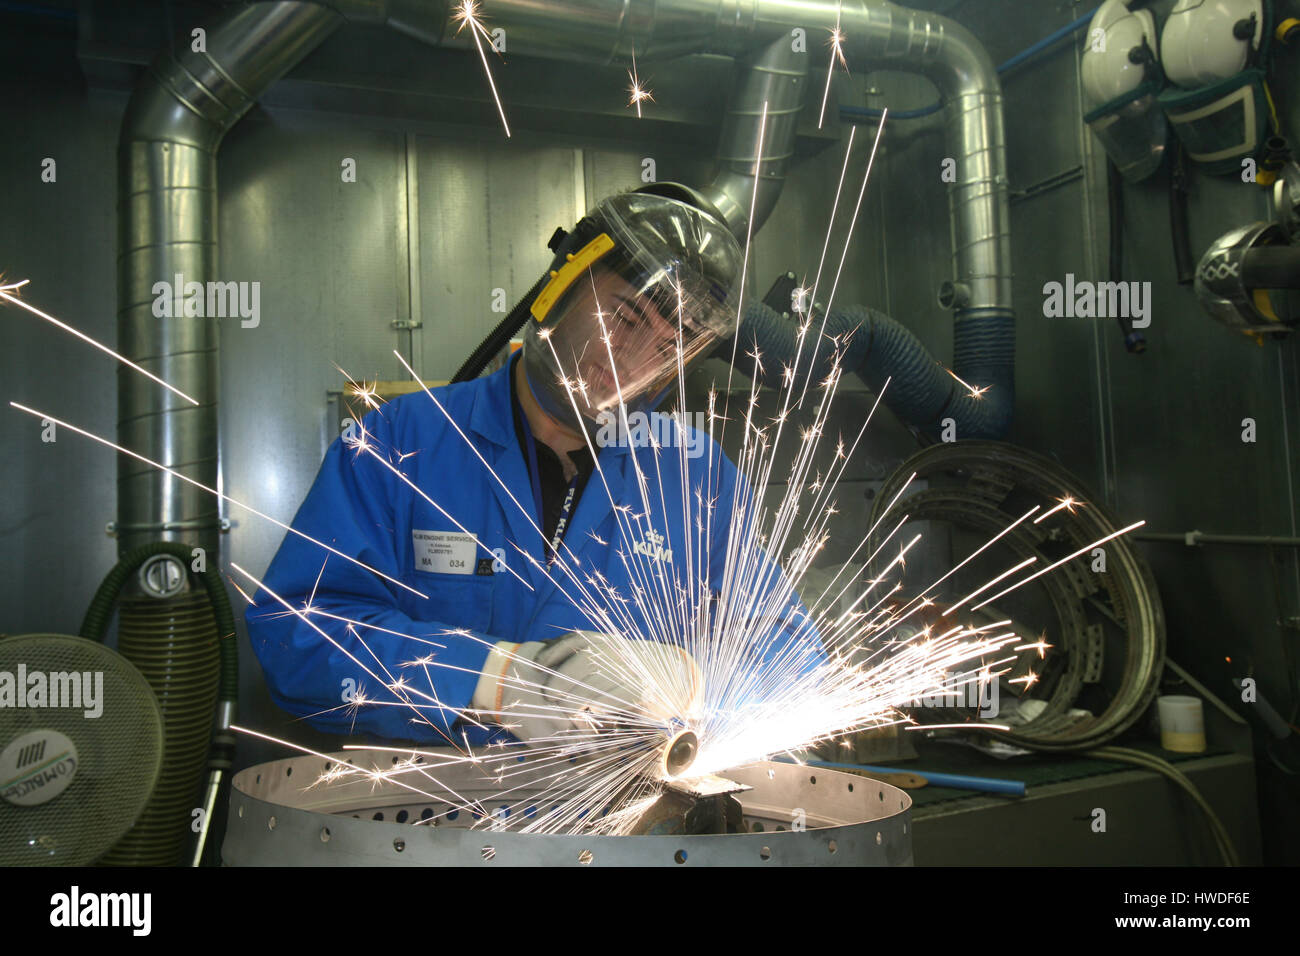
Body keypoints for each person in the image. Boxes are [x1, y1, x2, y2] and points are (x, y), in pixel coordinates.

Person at [246, 183, 824, 751]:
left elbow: (796, 661)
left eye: (668, 346)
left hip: (629, 836)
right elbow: (297, 634)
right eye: (625, 319)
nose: (635, 361)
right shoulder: (399, 442)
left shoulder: (696, 477)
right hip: (438, 825)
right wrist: (491, 678)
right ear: (563, 285)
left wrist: (694, 687)